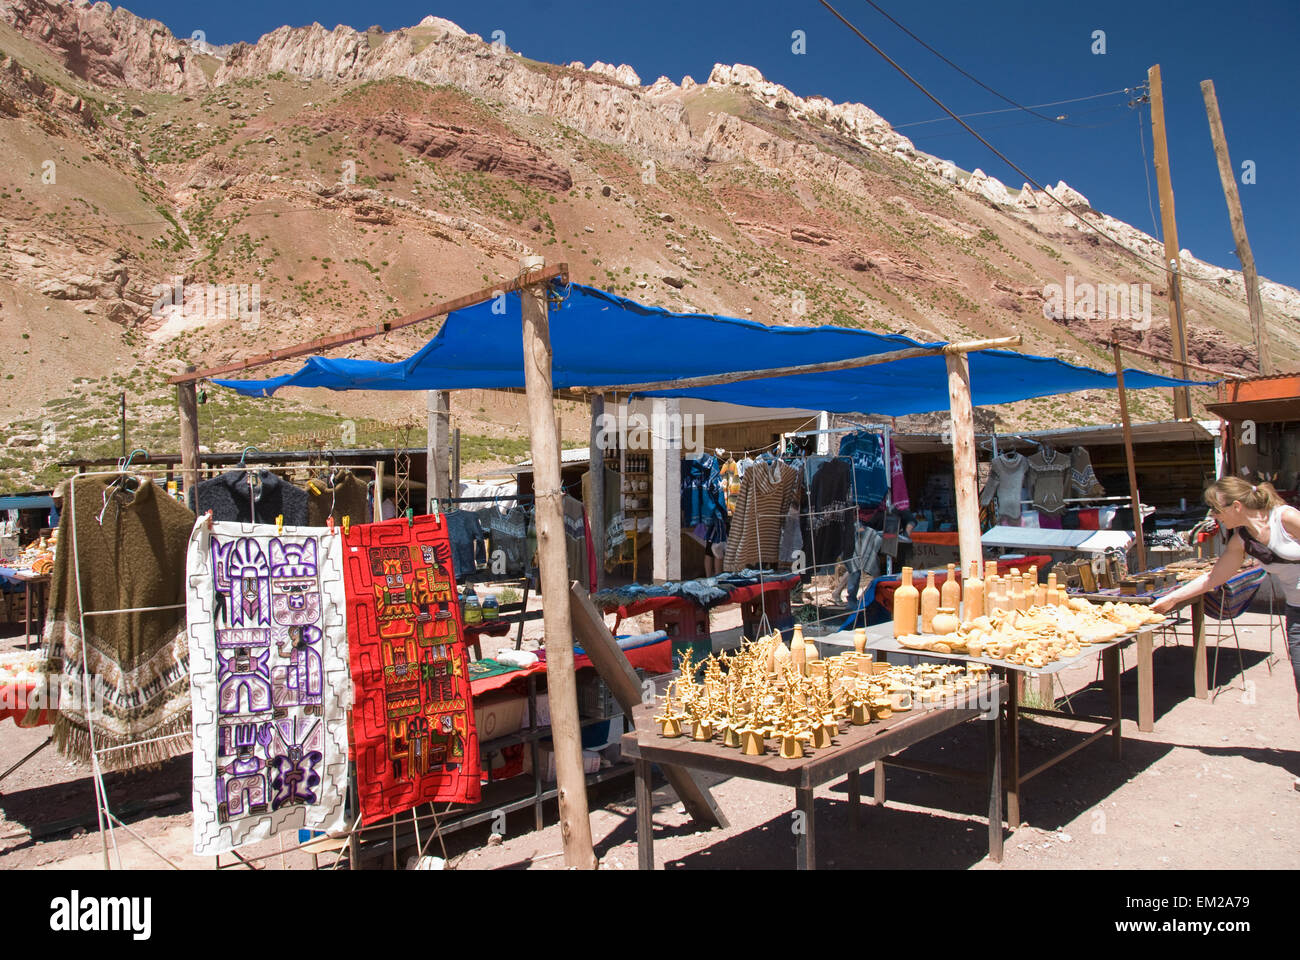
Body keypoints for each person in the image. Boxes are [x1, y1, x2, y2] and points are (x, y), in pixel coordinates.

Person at [1152, 478, 1300, 736]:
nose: (1214, 516)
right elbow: (1214, 578)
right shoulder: (1242, 539)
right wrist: (1172, 599)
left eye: (1216, 510)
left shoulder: (1285, 518)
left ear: (1237, 507)